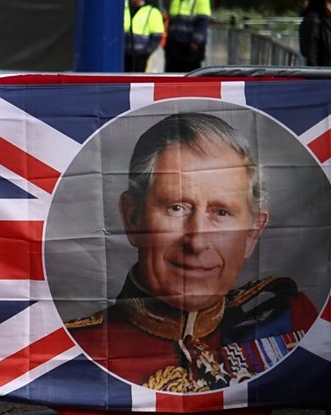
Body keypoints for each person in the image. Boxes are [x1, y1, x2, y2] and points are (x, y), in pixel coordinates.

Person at [66, 113, 318, 393]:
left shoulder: (290, 327)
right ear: (133, 218)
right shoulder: (71, 354)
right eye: (176, 208)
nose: (197, 241)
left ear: (251, 234)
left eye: (222, 212)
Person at [164, 0, 212, 72]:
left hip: (190, 48)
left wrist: (196, 41)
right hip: (174, 47)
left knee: (189, 79)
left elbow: (203, 20)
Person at [124, 0, 165, 72]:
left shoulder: (153, 12)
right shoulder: (125, 8)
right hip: (125, 53)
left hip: (141, 54)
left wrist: (148, 51)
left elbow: (158, 34)